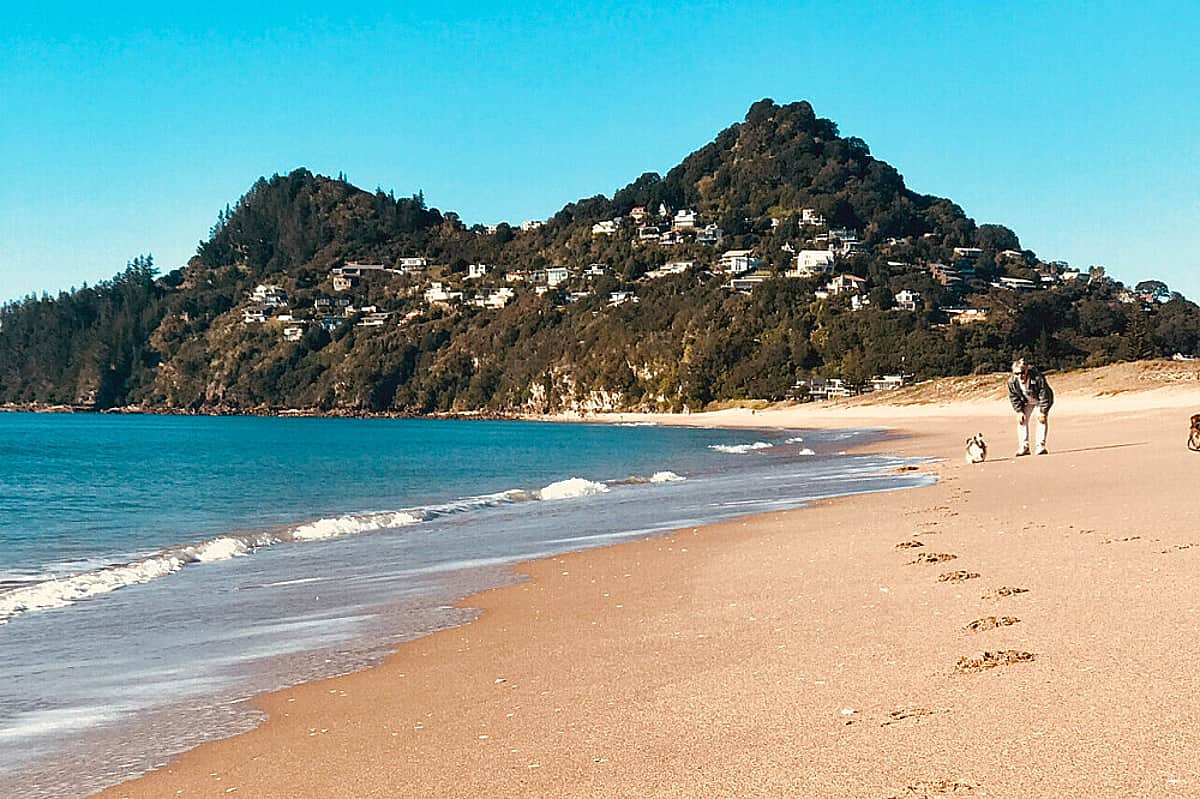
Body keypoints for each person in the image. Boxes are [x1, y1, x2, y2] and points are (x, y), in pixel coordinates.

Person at [1007, 357, 1054, 456]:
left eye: (1022, 372)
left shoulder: (1037, 378)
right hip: (1026, 401)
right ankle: (1024, 447)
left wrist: (1043, 411)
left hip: (1040, 400)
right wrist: (1019, 411)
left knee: (1042, 420)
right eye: (1017, 374)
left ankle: (1040, 446)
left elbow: (1044, 393)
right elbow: (1013, 397)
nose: (1020, 376)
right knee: (1022, 420)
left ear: (1027, 370)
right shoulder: (1012, 382)